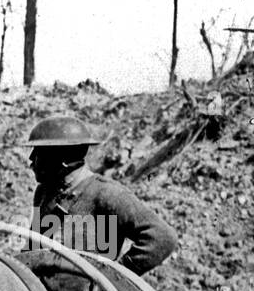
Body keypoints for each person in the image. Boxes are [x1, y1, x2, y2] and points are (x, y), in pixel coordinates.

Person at [24, 115, 177, 274]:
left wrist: (114, 278)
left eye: (39, 153)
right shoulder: (44, 192)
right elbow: (34, 246)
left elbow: (162, 238)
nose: (31, 160)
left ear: (63, 159)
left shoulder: (108, 195)